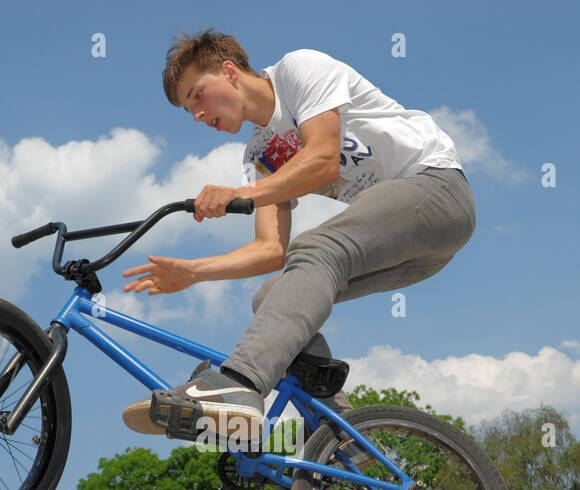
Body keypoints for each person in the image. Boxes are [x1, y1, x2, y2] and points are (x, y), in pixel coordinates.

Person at [120, 31, 474, 452]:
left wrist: (241, 195)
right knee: (273, 297)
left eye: (198, 96)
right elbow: (271, 250)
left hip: (436, 191)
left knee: (317, 248)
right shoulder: (260, 154)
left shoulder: (298, 71)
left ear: (230, 72)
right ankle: (340, 443)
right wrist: (193, 272)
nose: (197, 114)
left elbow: (323, 158)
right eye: (188, 110)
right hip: (412, 253)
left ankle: (239, 383)